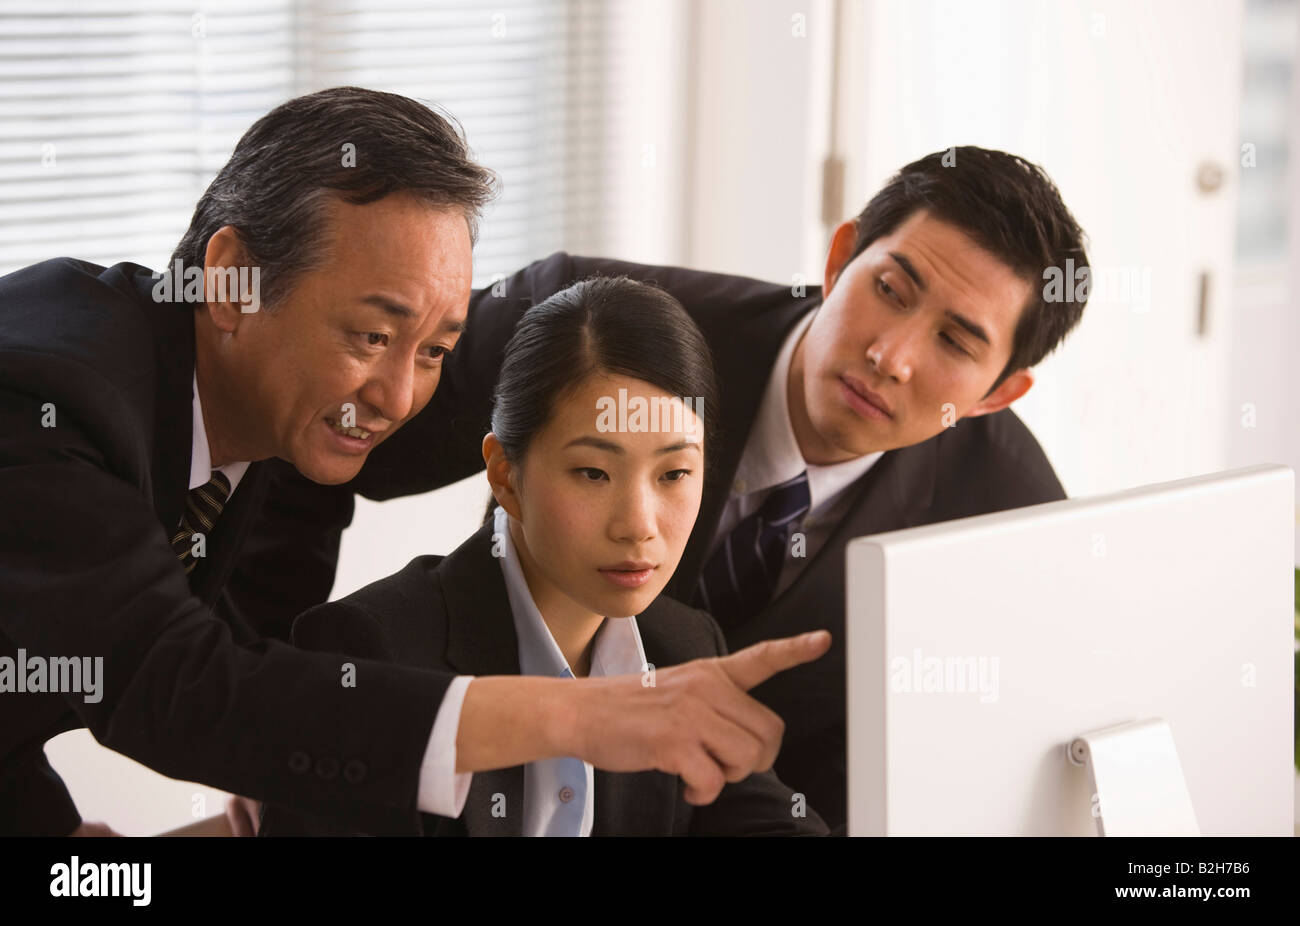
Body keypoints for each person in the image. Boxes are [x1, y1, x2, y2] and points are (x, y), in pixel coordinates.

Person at [0, 87, 826, 836]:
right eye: (371, 336)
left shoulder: (279, 430)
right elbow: (179, 682)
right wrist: (584, 718)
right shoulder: (52, 399)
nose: (398, 398)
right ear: (234, 281)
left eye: (435, 350)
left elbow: (569, 324)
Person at [325, 146, 1093, 829]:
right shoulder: (589, 329)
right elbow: (302, 436)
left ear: (998, 392)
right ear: (841, 257)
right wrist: (272, 705)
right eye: (890, 289)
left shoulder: (1009, 515)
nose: (890, 355)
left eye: (956, 341)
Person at [262, 277, 830, 836]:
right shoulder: (365, 654)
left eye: (675, 473)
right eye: (593, 472)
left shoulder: (685, 648)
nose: (638, 525)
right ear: (505, 475)